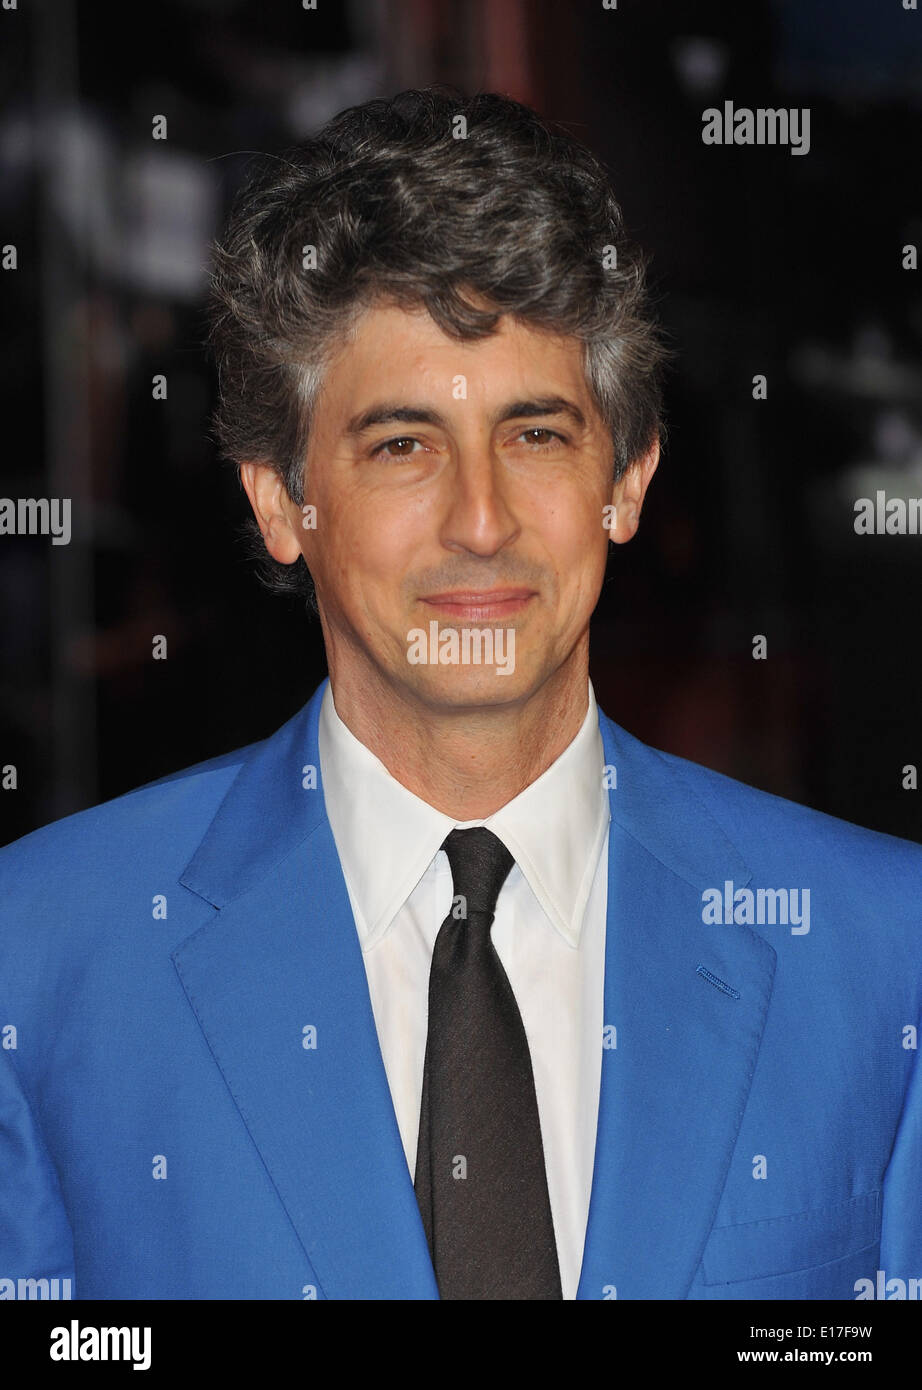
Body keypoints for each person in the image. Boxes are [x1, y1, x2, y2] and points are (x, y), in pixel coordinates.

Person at [1, 86, 920, 1303]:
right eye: (401, 446)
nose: (479, 522)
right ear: (280, 499)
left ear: (628, 479)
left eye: (536, 435)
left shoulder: (880, 948)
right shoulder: (41, 955)